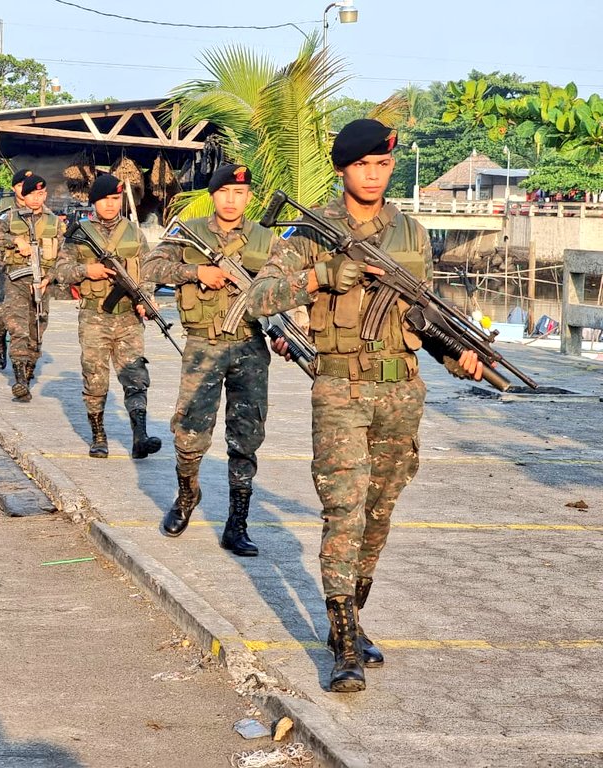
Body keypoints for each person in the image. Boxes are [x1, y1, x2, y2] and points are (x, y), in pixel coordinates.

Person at [243, 119, 485, 693]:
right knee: (344, 511)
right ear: (341, 169)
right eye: (361, 165)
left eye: (382, 164)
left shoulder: (413, 234)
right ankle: (345, 646)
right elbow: (258, 298)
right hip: (340, 390)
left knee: (378, 514)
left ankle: (351, 618)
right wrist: (323, 276)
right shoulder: (311, 231)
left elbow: (423, 314)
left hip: (402, 392)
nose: (373, 175)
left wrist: (458, 356)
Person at [141, 164, 275, 559]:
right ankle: (187, 496)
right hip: (203, 345)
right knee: (189, 431)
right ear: (213, 195)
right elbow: (150, 266)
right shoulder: (189, 232)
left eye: (240, 193)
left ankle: (237, 522)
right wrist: (195, 271)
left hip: (250, 346)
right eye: (225, 192)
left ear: (249, 197)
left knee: (246, 436)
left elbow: (290, 288)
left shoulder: (266, 240)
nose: (232, 200)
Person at [55, 174, 163, 459]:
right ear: (94, 202)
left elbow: (147, 270)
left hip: (128, 318)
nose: (110, 204)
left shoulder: (133, 232)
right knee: (95, 378)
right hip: (94, 317)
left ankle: (140, 436)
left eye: (115, 199)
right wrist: (86, 271)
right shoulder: (80, 233)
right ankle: (98, 436)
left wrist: (147, 298)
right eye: (104, 199)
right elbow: (60, 272)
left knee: (135, 376)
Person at [0, 174, 60, 402]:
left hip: (42, 284)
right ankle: (19, 380)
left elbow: (65, 255)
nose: (36, 198)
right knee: (19, 330)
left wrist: (50, 277)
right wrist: (15, 240)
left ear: (45, 195)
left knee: (36, 332)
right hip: (15, 282)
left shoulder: (55, 222)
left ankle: (29, 369)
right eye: (31, 194)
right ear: (23, 196)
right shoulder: (9, 217)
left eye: (40, 194)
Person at [0, 169, 34, 371]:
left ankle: (26, 360)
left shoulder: (39, 209)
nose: (25, 189)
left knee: (31, 316)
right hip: (7, 268)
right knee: (1, 311)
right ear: (14, 188)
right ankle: (0, 341)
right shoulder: (4, 209)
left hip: (32, 271)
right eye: (21, 185)